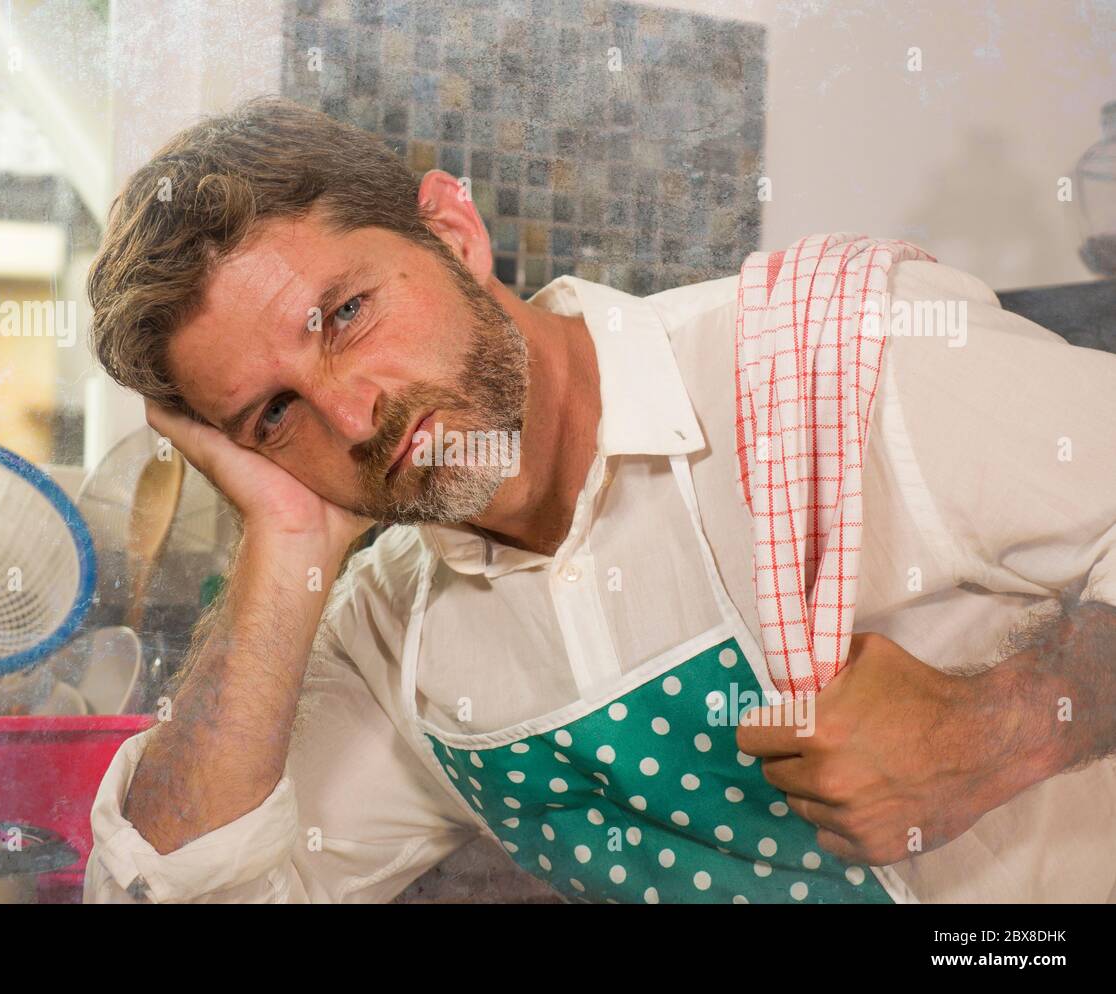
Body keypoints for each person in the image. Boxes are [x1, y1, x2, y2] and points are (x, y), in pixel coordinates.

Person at [82, 97, 1116, 904]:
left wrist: (1001, 723)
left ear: (450, 231)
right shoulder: (396, 638)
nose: (354, 420)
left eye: (344, 314)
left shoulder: (842, 356)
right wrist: (286, 536)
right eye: (273, 415)